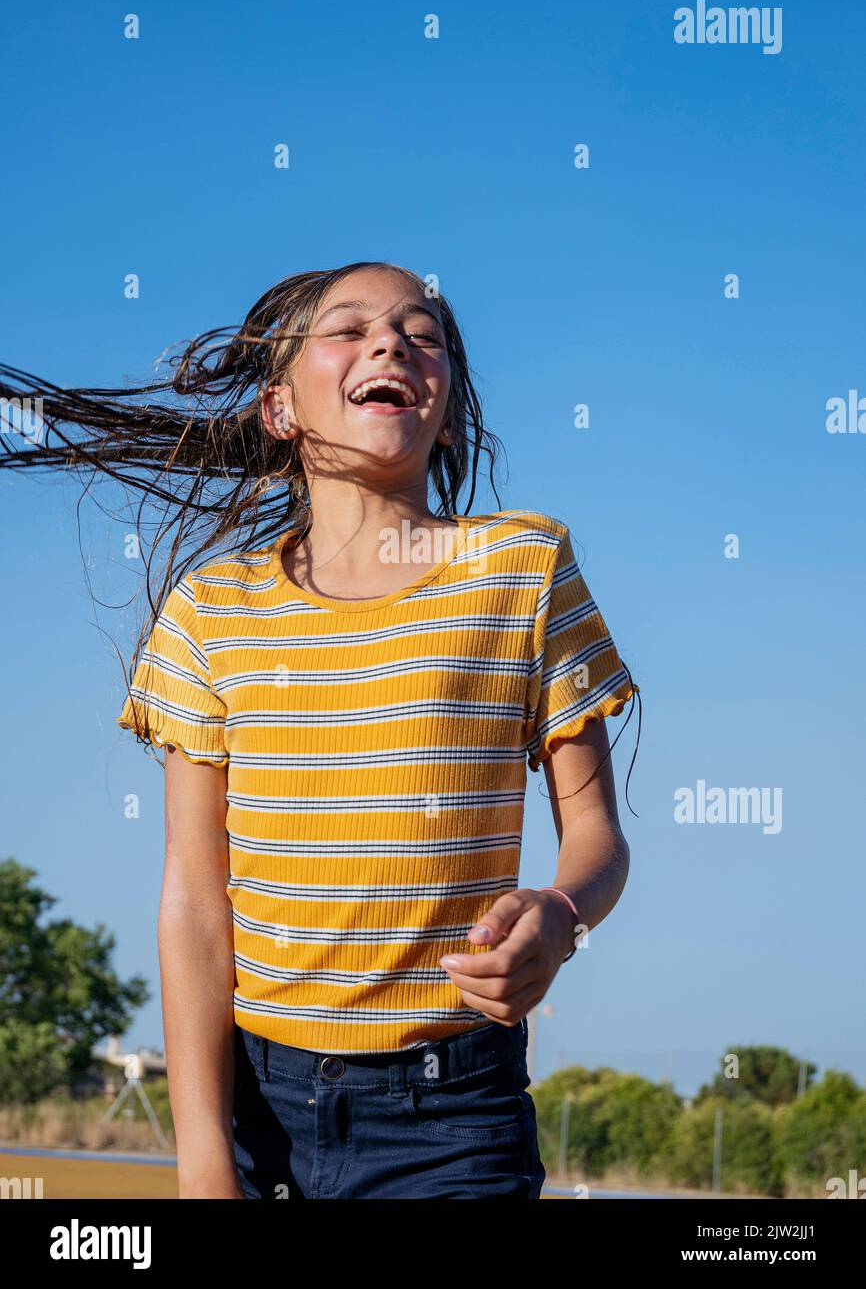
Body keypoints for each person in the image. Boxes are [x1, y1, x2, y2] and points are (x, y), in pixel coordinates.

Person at [2, 259, 640, 1198]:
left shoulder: (523, 566)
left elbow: (597, 836)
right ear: (280, 408)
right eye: (349, 330)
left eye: (422, 335)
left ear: (449, 408)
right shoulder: (211, 611)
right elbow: (194, 902)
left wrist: (562, 912)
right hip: (261, 1114)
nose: (391, 343)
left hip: (455, 1119)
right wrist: (205, 1162)